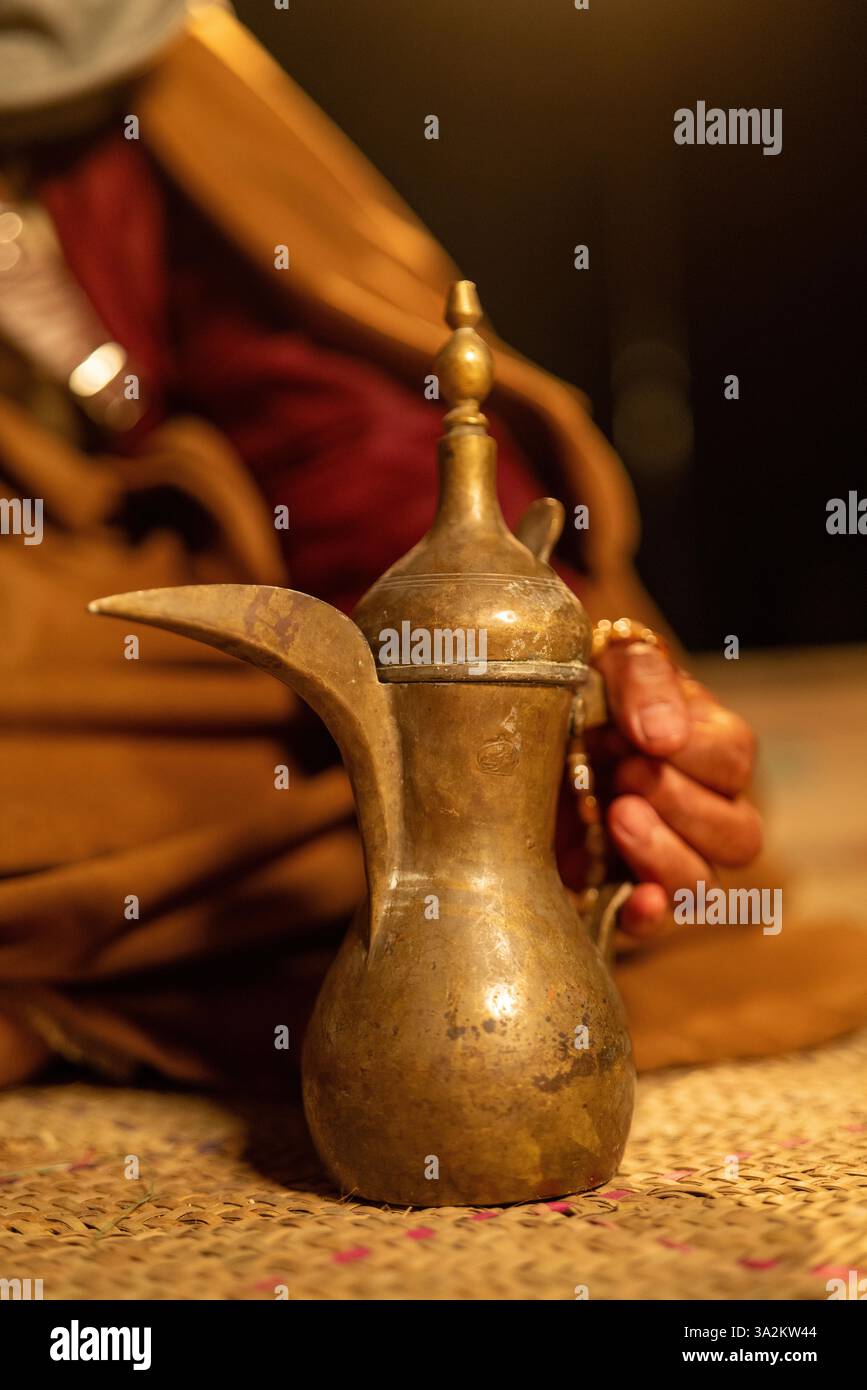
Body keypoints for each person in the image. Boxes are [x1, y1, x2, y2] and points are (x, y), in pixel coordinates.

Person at [0, 1, 863, 1091]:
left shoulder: (140, 70)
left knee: (411, 706)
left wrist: (526, 656)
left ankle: (456, 803)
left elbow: (332, 417)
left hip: (142, 656)